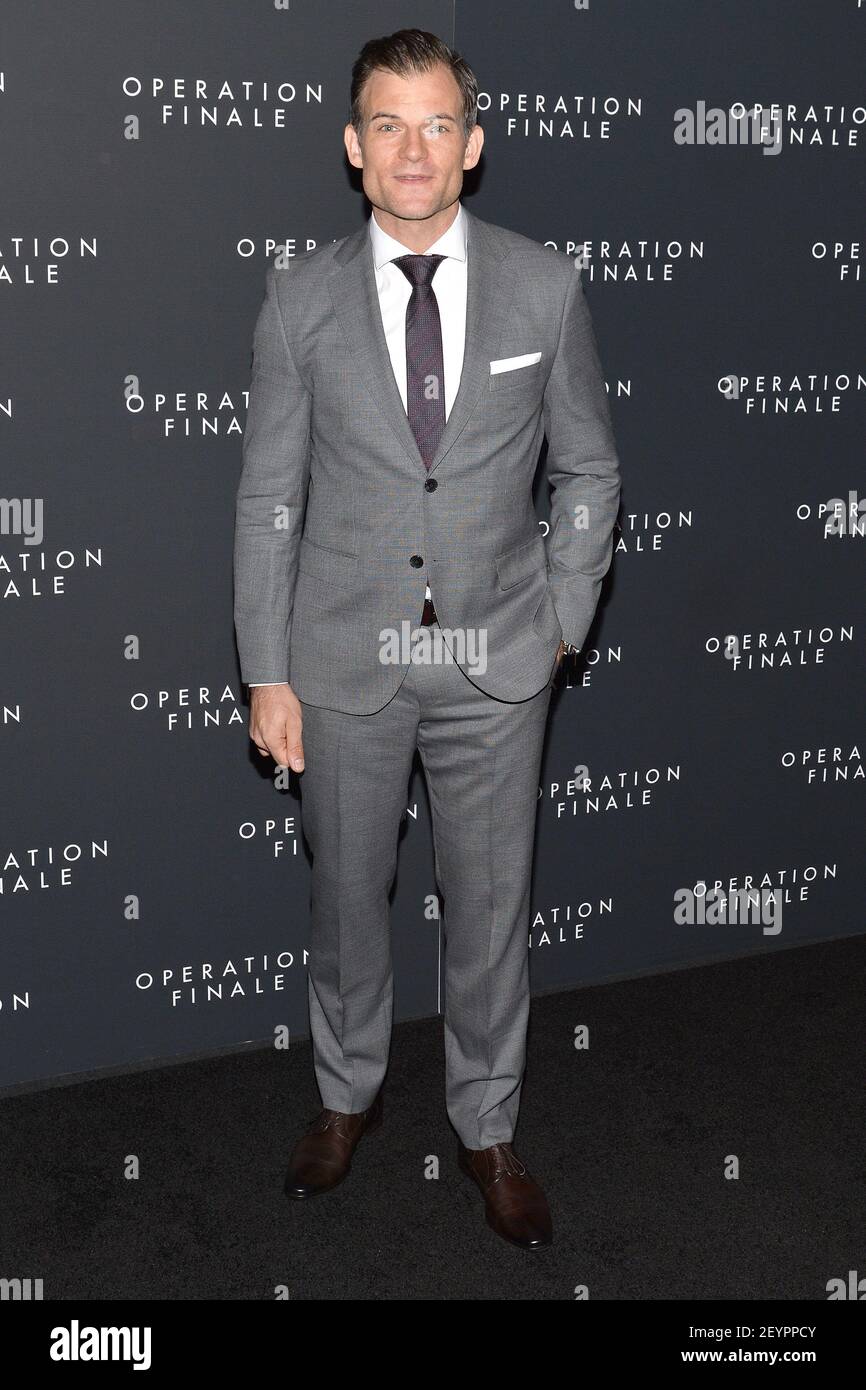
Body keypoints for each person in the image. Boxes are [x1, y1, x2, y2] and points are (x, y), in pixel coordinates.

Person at [233, 28, 621, 1251]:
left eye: (437, 122)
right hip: (346, 661)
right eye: (387, 125)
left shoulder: (543, 286)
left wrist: (559, 619)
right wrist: (266, 669)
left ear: (474, 142)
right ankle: (346, 1097)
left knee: (491, 907)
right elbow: (268, 498)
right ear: (354, 149)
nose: (414, 148)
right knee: (348, 903)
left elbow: (591, 471)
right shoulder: (296, 300)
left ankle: (487, 1123)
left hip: (495, 662)